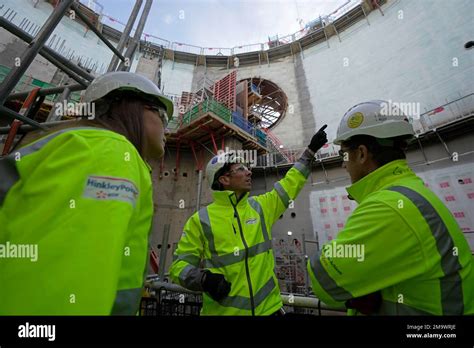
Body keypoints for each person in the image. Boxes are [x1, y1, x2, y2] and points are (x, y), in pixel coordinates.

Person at [0, 71, 173, 315]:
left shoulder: (89, 147)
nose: (166, 128)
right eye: (162, 116)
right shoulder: (108, 152)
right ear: (132, 107)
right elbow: (64, 282)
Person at [307, 100, 474, 315]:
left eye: (344, 154)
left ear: (361, 154)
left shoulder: (385, 207)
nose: (343, 164)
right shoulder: (410, 192)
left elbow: (323, 282)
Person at [169, 126, 328, 315]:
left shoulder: (260, 208)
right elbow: (178, 267)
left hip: (270, 310)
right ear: (224, 179)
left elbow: (289, 184)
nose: (249, 172)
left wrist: (309, 153)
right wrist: (203, 279)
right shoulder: (200, 221)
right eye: (241, 169)